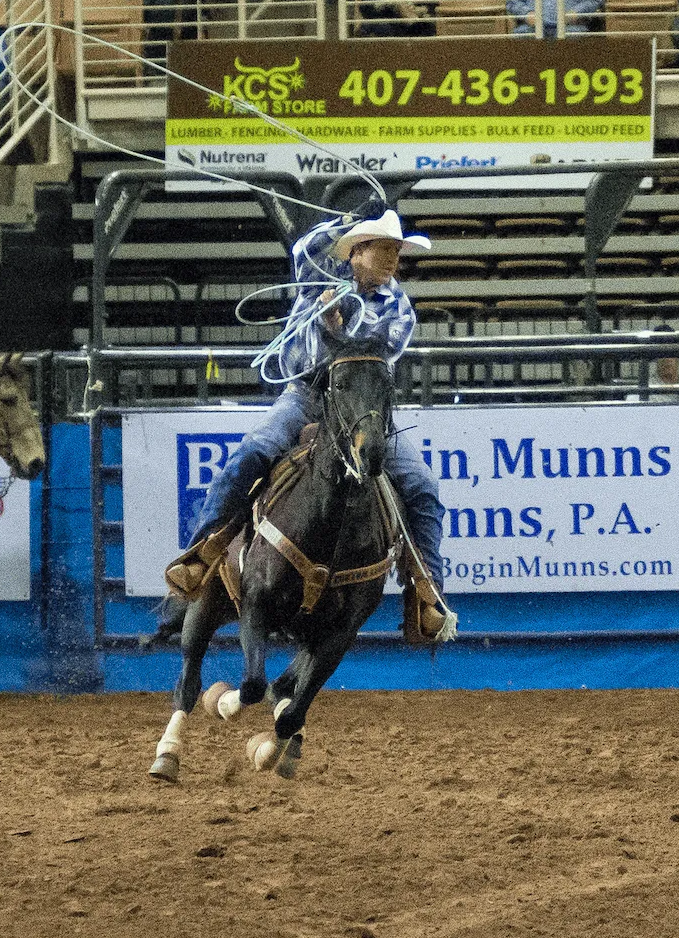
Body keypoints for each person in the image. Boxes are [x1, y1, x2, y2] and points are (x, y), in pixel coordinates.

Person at [159, 209, 456, 645]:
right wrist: (348, 222)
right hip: (305, 396)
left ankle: (426, 592)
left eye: (397, 251)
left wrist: (337, 327)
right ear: (356, 251)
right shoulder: (318, 273)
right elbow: (305, 245)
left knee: (421, 486)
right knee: (253, 453)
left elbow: (371, 357)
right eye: (384, 248)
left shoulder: (399, 306)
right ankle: (203, 554)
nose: (394, 259)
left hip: (357, 407)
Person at [507, 0, 604, 36]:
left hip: (571, 26)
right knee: (522, 36)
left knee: (574, 36)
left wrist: (577, 12)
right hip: (531, 27)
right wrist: (526, 14)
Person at [357, 0, 437, 37]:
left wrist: (421, 9)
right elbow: (365, 8)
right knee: (374, 27)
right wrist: (389, 3)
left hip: (418, 24)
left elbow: (434, 5)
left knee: (428, 27)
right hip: (389, 23)